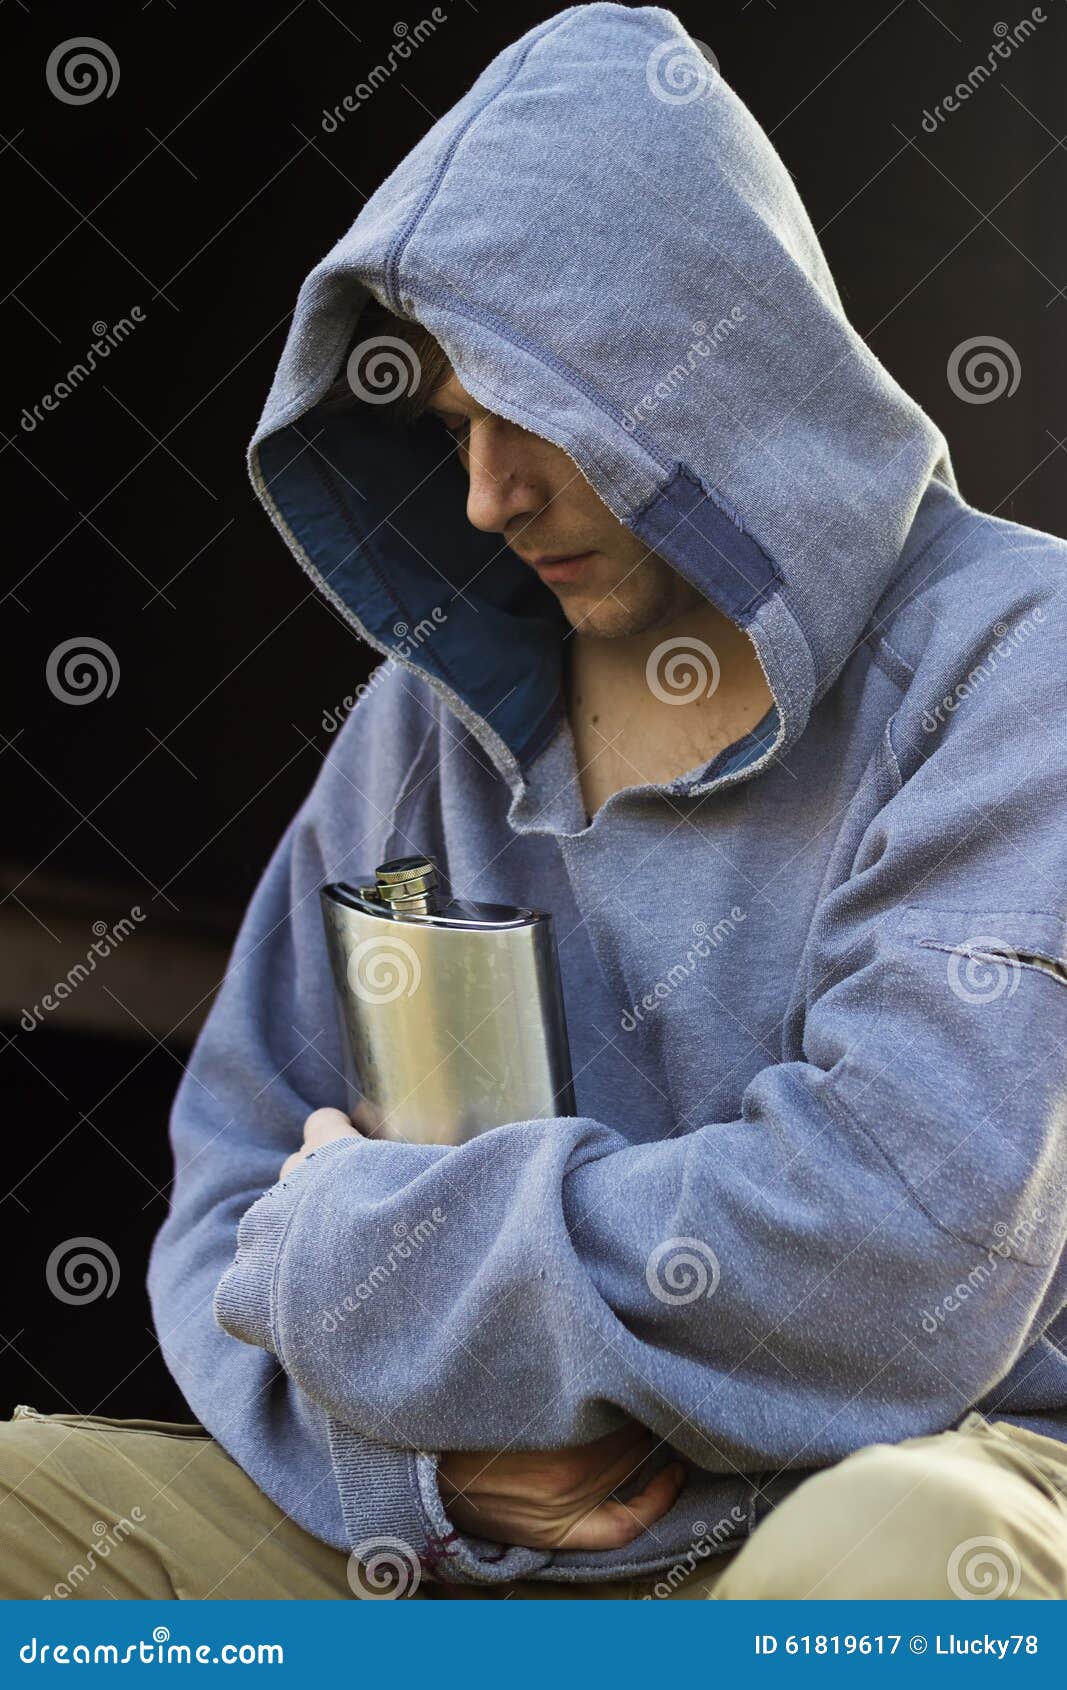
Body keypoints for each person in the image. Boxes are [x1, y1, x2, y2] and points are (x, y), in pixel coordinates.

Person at [3, 3, 1067, 1601]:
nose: (487, 495)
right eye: (451, 427)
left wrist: (373, 1254)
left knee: (894, 1549)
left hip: (911, 1476)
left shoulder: (1017, 657)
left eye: (536, 412)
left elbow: (896, 1246)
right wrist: (435, 1477)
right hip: (482, 1540)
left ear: (702, 369)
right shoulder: (421, 718)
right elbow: (237, 1204)